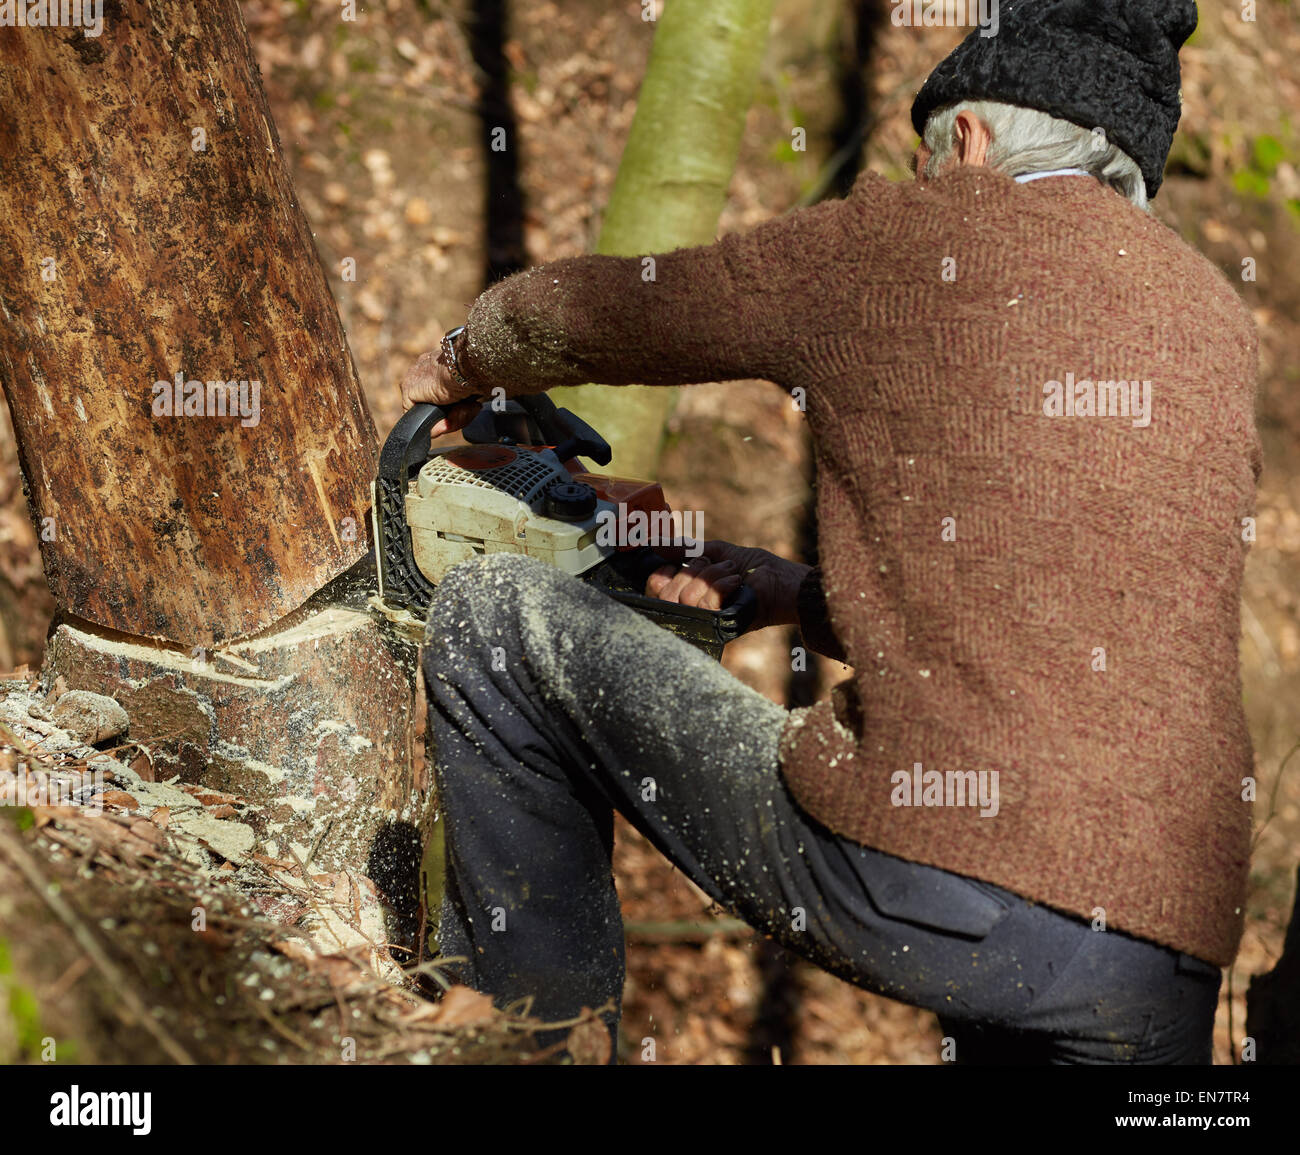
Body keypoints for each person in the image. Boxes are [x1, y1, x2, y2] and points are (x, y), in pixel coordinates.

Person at [400, 0, 1259, 1064]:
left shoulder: (912, 237)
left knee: (495, 622)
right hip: (1160, 950)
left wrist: (468, 354)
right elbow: (1054, 614)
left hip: (947, 878)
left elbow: (629, 310)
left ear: (972, 139)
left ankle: (522, 1043)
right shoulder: (1216, 324)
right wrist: (782, 590)